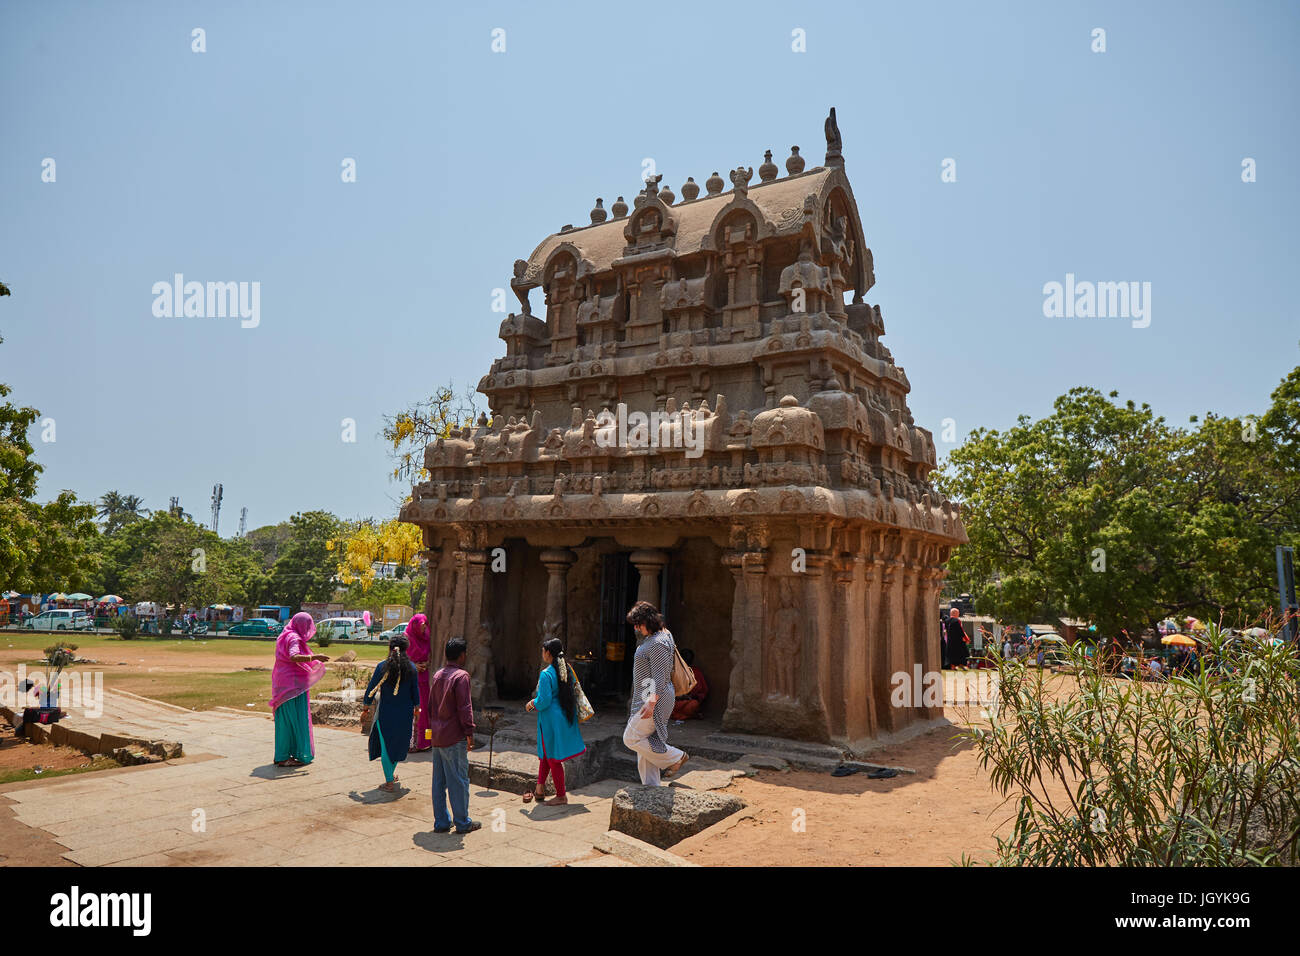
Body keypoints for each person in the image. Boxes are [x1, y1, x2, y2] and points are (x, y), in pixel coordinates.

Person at [622, 601, 688, 786]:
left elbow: (660, 676)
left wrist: (651, 703)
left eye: (638, 624)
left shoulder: (658, 642)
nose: (635, 628)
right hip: (652, 696)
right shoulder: (662, 636)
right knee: (646, 743)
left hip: (654, 698)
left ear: (648, 621)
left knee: (630, 738)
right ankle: (651, 787)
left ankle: (676, 757)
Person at [524, 638, 586, 806]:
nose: (542, 654)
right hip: (564, 717)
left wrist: (531, 703)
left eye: (543, 651)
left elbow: (543, 701)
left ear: (548, 653)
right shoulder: (567, 669)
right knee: (546, 755)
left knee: (552, 758)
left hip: (550, 721)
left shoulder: (546, 674)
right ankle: (539, 789)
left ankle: (561, 795)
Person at [427, 637, 480, 834]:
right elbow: (465, 708)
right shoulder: (461, 676)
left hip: (438, 736)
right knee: (458, 779)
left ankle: (441, 821)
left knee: (439, 782)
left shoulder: (438, 675)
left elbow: (431, 706)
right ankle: (462, 822)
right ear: (462, 655)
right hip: (453, 736)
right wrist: (469, 732)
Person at [270, 612, 329, 768]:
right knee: (294, 720)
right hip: (292, 685)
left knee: (285, 721)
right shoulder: (294, 638)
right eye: (308, 625)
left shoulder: (285, 634)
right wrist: (315, 657)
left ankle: (284, 754)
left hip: (283, 682)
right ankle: (287, 756)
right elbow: (294, 656)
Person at [363, 634, 420, 792]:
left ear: (390, 648)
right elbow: (415, 692)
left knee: (386, 746)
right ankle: (390, 775)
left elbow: (371, 689)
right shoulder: (412, 668)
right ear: (406, 650)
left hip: (386, 714)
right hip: (405, 714)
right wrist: (417, 709)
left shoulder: (382, 667)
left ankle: (389, 782)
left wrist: (365, 708)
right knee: (397, 744)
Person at [404, 614, 433, 752]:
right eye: (421, 626)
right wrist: (413, 666)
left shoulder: (426, 637)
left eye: (425, 626)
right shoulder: (406, 638)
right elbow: (398, 659)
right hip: (410, 679)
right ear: (415, 625)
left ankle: (425, 741)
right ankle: (411, 743)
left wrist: (426, 664)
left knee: (424, 711)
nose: (424, 629)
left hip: (423, 678)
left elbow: (429, 656)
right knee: (413, 710)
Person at [671, 648, 709, 720]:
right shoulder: (674, 672)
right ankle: (692, 716)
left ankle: (682, 715)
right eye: (684, 657)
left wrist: (692, 697)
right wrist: (679, 697)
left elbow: (704, 691)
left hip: (689, 702)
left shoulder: (697, 672)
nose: (687, 660)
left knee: (694, 704)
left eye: (688, 658)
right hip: (676, 702)